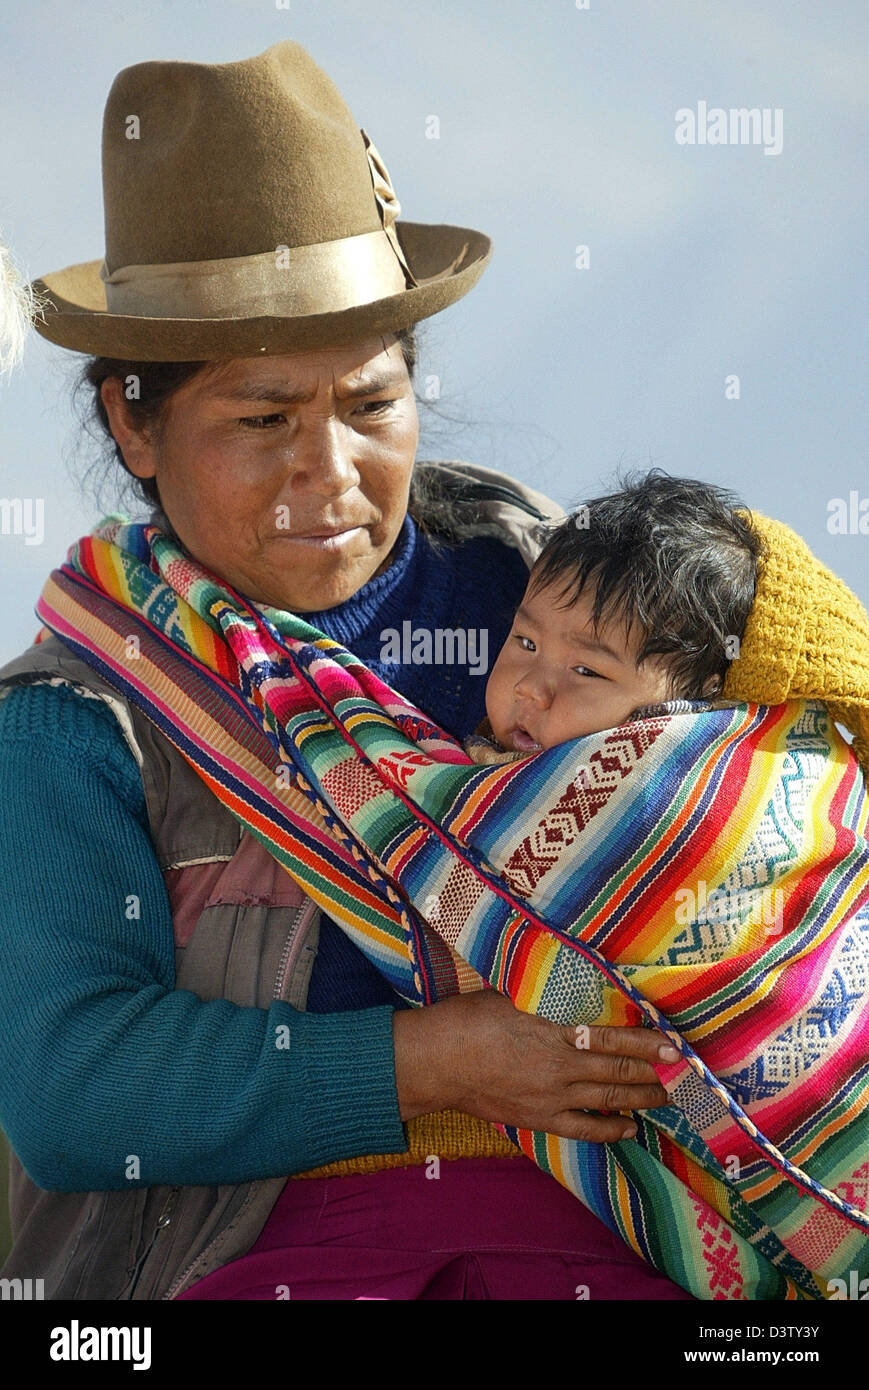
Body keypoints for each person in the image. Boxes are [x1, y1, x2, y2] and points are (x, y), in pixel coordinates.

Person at [0, 40, 689, 1302]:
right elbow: (74, 1086)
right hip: (262, 1260)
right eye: (263, 419)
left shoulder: (566, 599)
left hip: (633, 1237)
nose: (329, 472)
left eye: (370, 406)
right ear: (132, 421)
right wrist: (435, 1064)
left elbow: (788, 792)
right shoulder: (77, 717)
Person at [471, 471, 761, 759]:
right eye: (527, 643)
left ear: (686, 704)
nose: (528, 688)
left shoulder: (670, 780)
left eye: (585, 671)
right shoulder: (462, 761)